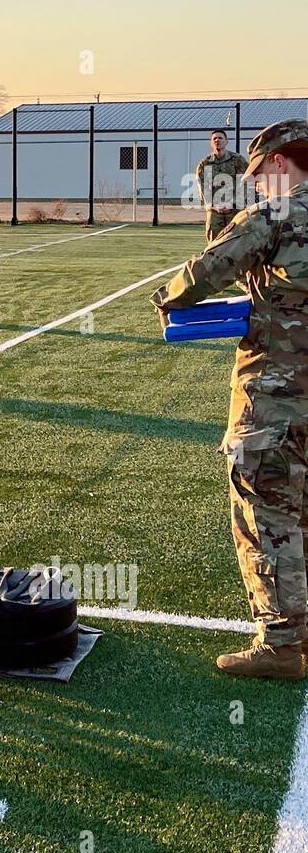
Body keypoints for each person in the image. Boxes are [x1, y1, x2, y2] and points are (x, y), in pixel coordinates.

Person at [151, 118, 308, 680]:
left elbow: (208, 268)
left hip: (276, 400)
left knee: (267, 515)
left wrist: (167, 297)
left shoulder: (275, 214)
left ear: (278, 163)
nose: (254, 184)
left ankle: (282, 643)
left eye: (257, 173)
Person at [195, 130, 248, 243]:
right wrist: (213, 205)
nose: (217, 140)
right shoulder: (205, 164)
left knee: (236, 243)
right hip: (215, 211)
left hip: (234, 210)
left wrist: (233, 203)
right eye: (214, 138)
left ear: (226, 141)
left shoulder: (238, 160)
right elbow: (202, 186)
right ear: (211, 142)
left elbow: (245, 182)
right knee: (213, 245)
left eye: (220, 138)